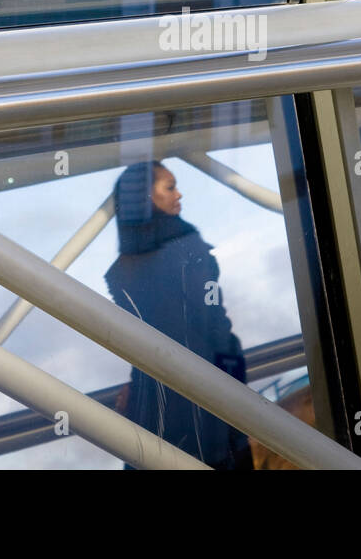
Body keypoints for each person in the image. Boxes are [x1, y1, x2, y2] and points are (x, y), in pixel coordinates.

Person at [104, 160, 253, 469]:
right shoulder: (189, 249)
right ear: (145, 197)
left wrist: (136, 396)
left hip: (153, 408)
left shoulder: (122, 272)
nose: (179, 195)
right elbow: (215, 323)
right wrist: (238, 387)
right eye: (170, 187)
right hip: (207, 398)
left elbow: (139, 349)